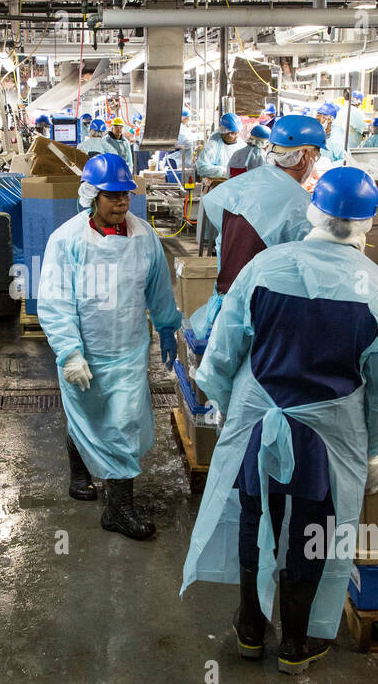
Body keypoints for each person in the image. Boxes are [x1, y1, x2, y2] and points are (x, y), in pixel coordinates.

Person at [181, 166, 378, 674]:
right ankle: (296, 642)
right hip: (329, 438)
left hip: (259, 423)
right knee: (313, 531)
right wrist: (375, 445)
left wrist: (228, 405)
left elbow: (224, 350)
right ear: (367, 225)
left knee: (254, 516)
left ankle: (250, 628)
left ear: (312, 211)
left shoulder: (266, 268)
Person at [37, 153, 182, 541]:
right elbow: (55, 300)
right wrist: (69, 352)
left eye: (126, 195)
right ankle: (80, 471)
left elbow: (158, 288)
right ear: (91, 195)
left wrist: (167, 326)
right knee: (86, 409)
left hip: (129, 349)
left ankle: (117, 509)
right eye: (113, 195)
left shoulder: (143, 237)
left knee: (122, 424)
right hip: (87, 349)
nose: (122, 203)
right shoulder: (66, 240)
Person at [189, 114, 325, 335]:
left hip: (226, 310)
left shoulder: (240, 187)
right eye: (315, 158)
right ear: (303, 159)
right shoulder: (302, 206)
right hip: (264, 320)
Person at [195, 112, 244, 244]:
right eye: (231, 133)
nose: (234, 136)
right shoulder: (214, 143)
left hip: (235, 191)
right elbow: (202, 167)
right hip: (216, 189)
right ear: (223, 132)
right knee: (215, 224)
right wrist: (223, 171)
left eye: (236, 133)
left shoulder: (242, 145)